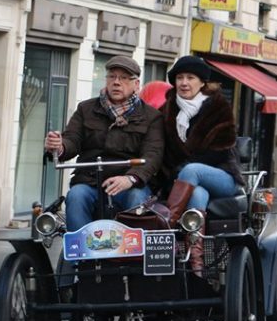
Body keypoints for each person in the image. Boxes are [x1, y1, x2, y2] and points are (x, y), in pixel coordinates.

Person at [44, 55, 164, 234]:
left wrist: (130, 179)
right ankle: (80, 248)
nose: (116, 82)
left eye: (124, 78)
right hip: (91, 182)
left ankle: (132, 249)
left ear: (136, 84)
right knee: (76, 196)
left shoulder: (152, 116)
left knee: (137, 199)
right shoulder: (86, 109)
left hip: (130, 183)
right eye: (112, 76)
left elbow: (153, 155)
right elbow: (72, 139)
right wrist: (59, 146)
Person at [160, 56, 244, 272]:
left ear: (202, 82)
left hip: (222, 177)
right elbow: (163, 152)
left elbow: (221, 149)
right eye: (180, 78)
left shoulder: (218, 107)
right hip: (185, 183)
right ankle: (196, 260)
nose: (184, 83)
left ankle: (167, 226)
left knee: (192, 170)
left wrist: (183, 168)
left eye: (190, 78)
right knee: (197, 193)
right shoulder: (166, 110)